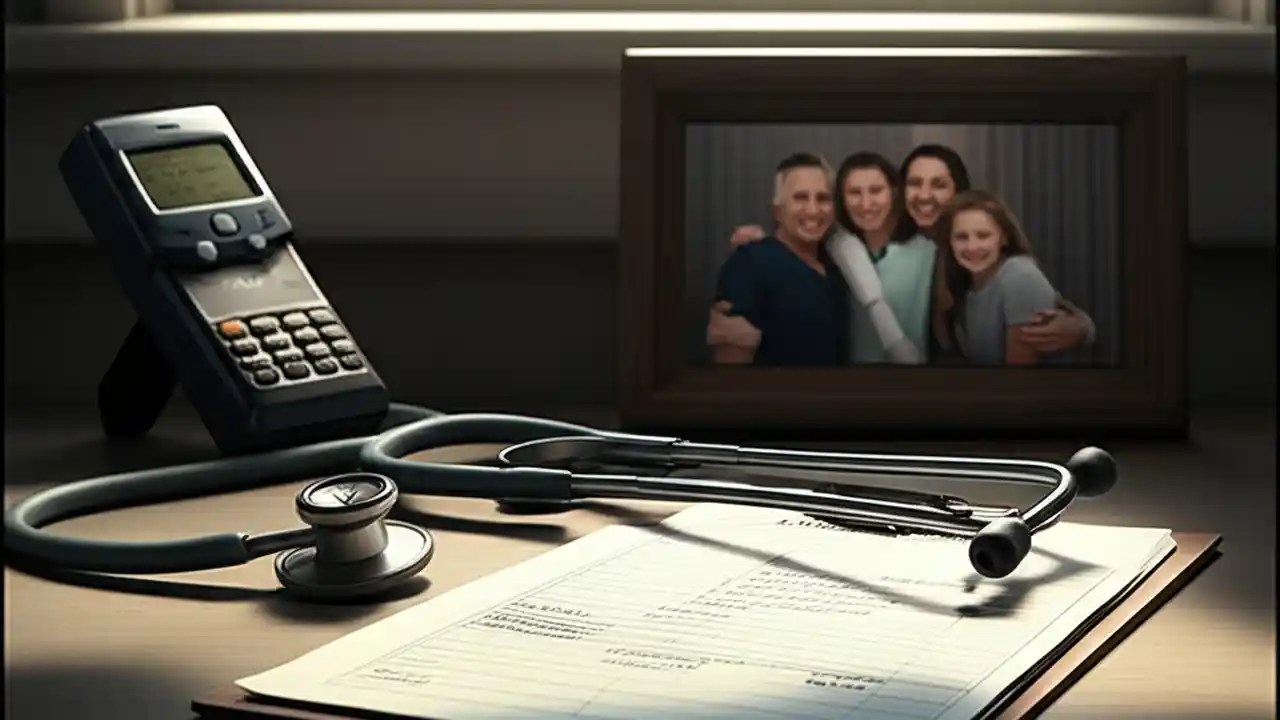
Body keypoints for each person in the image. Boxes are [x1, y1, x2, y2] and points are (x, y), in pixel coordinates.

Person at [708, 143, 1096, 361]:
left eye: (939, 185)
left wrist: (1082, 326)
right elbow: (797, 239)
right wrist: (756, 240)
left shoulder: (952, 249)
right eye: (916, 184)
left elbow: (1034, 295)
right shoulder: (835, 251)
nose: (925, 196)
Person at [709, 152, 850, 366]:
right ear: (777, 210)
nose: (813, 210)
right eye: (800, 197)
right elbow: (729, 378)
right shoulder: (748, 264)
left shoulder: (837, 269)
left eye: (823, 198)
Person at [936, 190, 1058, 366]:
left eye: (983, 235)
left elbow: (1021, 382)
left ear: (1004, 239)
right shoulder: (969, 287)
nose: (972, 246)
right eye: (961, 237)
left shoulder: (1020, 277)